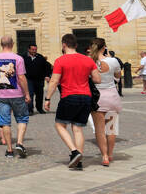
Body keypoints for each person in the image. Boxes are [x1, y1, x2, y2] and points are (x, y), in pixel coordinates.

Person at [44, 33, 102, 170]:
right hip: (86, 97)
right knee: (77, 128)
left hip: (69, 96)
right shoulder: (88, 60)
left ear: (64, 45)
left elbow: (54, 81)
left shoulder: (60, 60)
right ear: (76, 45)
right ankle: (78, 161)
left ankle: (74, 152)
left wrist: (47, 99)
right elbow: (97, 79)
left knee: (60, 125)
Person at [0, 34, 30, 159]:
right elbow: (21, 77)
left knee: (5, 121)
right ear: (12, 44)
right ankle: (20, 143)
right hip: (17, 94)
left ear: (1, 45)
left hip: (1, 94)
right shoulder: (18, 59)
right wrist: (27, 93)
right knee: (22, 118)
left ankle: (9, 150)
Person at [88, 38, 121, 167]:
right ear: (104, 47)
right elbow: (118, 77)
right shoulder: (113, 61)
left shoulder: (90, 61)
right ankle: (111, 153)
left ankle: (104, 156)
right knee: (111, 128)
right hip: (112, 96)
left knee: (100, 130)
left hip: (97, 97)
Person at [24, 44, 51, 113]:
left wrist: (47, 75)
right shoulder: (24, 57)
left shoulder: (40, 57)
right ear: (29, 49)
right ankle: (30, 109)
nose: (34, 51)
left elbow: (47, 66)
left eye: (35, 49)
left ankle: (39, 108)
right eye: (32, 49)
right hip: (28, 79)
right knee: (30, 94)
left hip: (39, 79)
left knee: (40, 95)